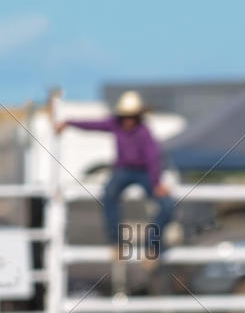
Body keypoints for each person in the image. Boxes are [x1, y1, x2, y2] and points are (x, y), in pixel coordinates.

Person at [56, 90, 172, 260]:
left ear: (138, 116)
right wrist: (68, 123)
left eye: (131, 116)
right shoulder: (116, 124)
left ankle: (151, 246)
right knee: (109, 194)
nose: (128, 120)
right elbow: (91, 125)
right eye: (125, 116)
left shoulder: (144, 132)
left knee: (167, 205)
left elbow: (153, 157)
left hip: (143, 173)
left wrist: (156, 182)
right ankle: (116, 242)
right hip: (123, 170)